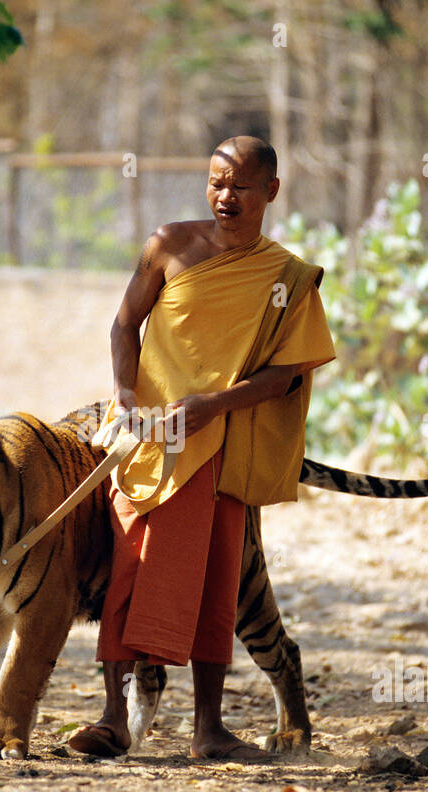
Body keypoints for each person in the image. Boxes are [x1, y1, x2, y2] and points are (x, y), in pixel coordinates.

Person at [68, 135, 336, 760]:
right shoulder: (169, 245)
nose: (225, 196)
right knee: (129, 569)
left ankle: (208, 729)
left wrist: (212, 406)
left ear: (270, 191)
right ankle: (113, 717)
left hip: (221, 443)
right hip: (146, 440)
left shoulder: (287, 278)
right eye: (216, 182)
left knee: (218, 582)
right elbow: (123, 323)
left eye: (240, 186)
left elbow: (287, 373)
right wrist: (124, 391)